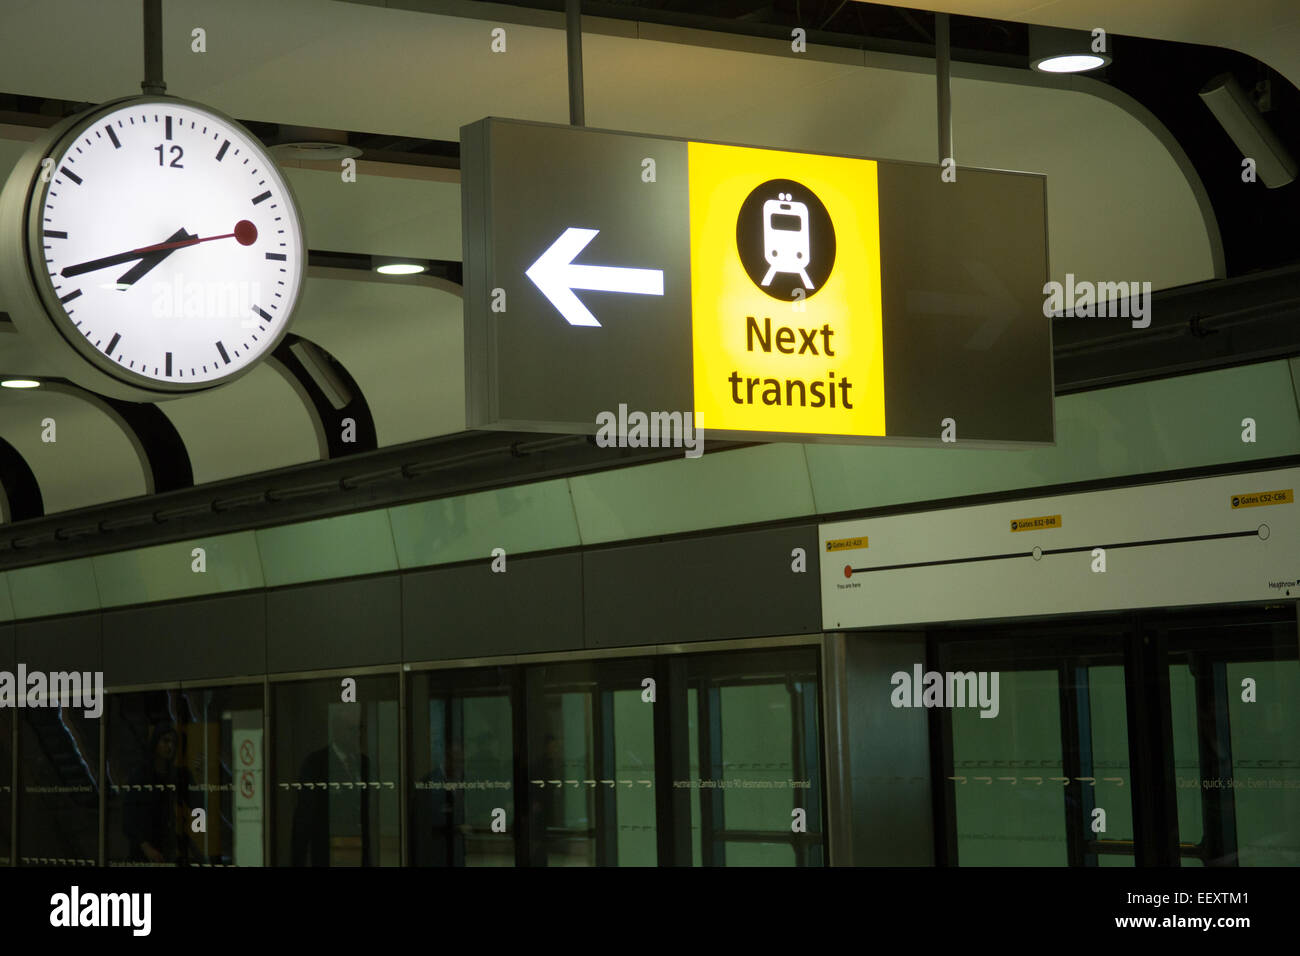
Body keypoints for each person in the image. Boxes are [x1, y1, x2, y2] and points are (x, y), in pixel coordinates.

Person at [291, 705, 372, 866]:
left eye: (359, 728)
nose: (356, 734)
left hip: (358, 851)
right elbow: (304, 816)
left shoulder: (364, 763)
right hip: (327, 853)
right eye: (351, 728)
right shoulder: (316, 763)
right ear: (336, 730)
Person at [123, 720, 194, 864]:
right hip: (144, 851)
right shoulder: (141, 775)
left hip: (169, 845)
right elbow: (129, 817)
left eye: (173, 743)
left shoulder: (177, 775)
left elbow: (195, 802)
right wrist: (146, 847)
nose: (170, 747)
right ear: (156, 743)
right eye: (165, 741)